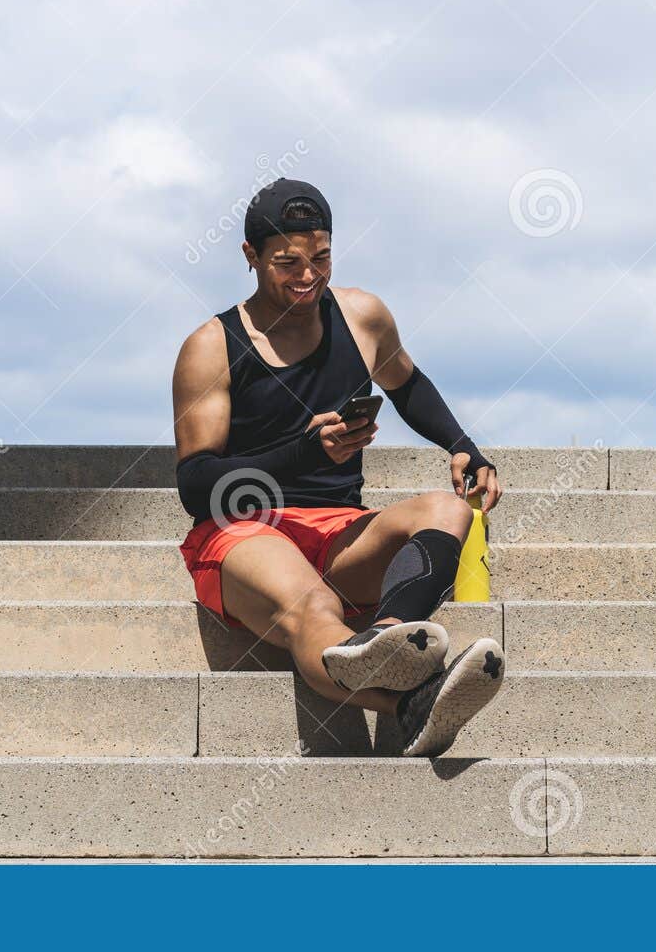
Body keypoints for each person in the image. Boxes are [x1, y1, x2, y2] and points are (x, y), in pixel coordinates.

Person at [171, 178, 505, 757]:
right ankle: (411, 702)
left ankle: (386, 636)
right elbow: (196, 487)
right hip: (244, 531)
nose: (307, 276)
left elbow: (407, 384)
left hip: (338, 529)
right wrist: (304, 453)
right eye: (287, 263)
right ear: (250, 257)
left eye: (320, 257)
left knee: (447, 509)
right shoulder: (213, 346)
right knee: (314, 607)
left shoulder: (362, 316)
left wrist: (461, 444)